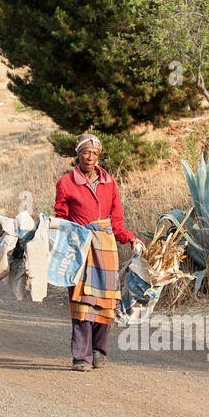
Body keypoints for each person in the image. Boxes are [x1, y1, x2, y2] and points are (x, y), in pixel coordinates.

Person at [53, 132, 143, 370]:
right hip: (79, 248)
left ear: (99, 155)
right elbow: (61, 219)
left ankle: (99, 350)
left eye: (94, 153)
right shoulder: (66, 183)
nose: (90, 157)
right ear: (78, 154)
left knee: (106, 303)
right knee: (81, 302)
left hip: (105, 247)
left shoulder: (109, 182)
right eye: (86, 152)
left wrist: (131, 239)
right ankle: (81, 357)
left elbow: (117, 223)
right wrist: (59, 245)